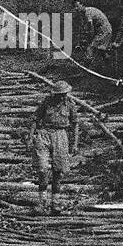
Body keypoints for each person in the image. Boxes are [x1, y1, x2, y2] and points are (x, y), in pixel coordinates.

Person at [26, 81, 80, 215]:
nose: (62, 97)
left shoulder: (70, 105)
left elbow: (75, 125)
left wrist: (74, 143)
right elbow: (35, 118)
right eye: (60, 95)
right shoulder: (47, 102)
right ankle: (42, 203)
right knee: (42, 169)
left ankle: (55, 203)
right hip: (44, 133)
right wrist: (30, 137)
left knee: (58, 171)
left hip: (61, 135)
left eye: (64, 94)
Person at [76, 3, 114, 68]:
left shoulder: (88, 12)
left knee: (91, 47)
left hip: (103, 30)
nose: (76, 8)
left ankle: (86, 67)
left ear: (82, 5)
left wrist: (89, 38)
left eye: (77, 6)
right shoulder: (86, 12)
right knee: (102, 50)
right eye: (75, 7)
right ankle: (110, 67)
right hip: (106, 29)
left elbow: (90, 27)